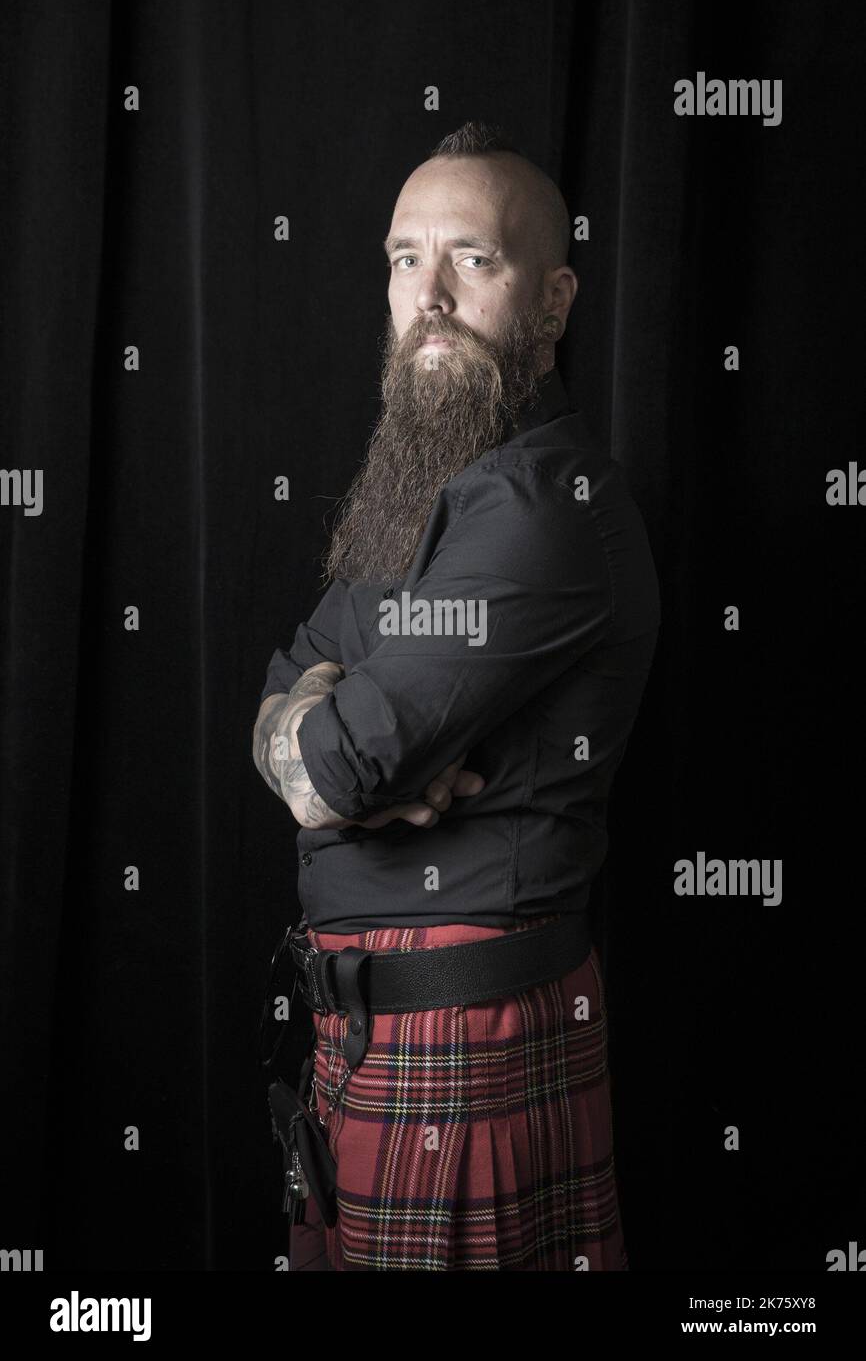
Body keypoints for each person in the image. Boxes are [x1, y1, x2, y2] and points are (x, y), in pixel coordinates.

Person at [253, 121, 660, 1271]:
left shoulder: (536, 515)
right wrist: (304, 723)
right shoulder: (431, 484)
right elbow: (291, 689)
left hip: (464, 1056)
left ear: (552, 296)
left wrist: (315, 745)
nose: (425, 293)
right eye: (401, 256)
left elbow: (332, 770)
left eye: (471, 259)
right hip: (375, 1043)